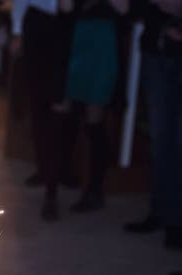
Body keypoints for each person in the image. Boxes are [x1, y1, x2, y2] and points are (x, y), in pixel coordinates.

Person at [123, 0, 182, 250]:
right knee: (160, 138)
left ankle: (174, 220)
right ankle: (161, 212)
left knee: (176, 141)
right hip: (155, 53)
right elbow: (131, 9)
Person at [10, 0, 76, 221]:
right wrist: (18, 32)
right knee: (39, 106)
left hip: (66, 26)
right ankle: (45, 170)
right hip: (37, 22)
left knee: (60, 107)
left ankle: (54, 184)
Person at [65, 0, 129, 213]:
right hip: (78, 36)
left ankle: (94, 189)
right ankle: (69, 174)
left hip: (103, 42)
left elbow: (124, 8)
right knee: (73, 113)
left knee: (95, 120)